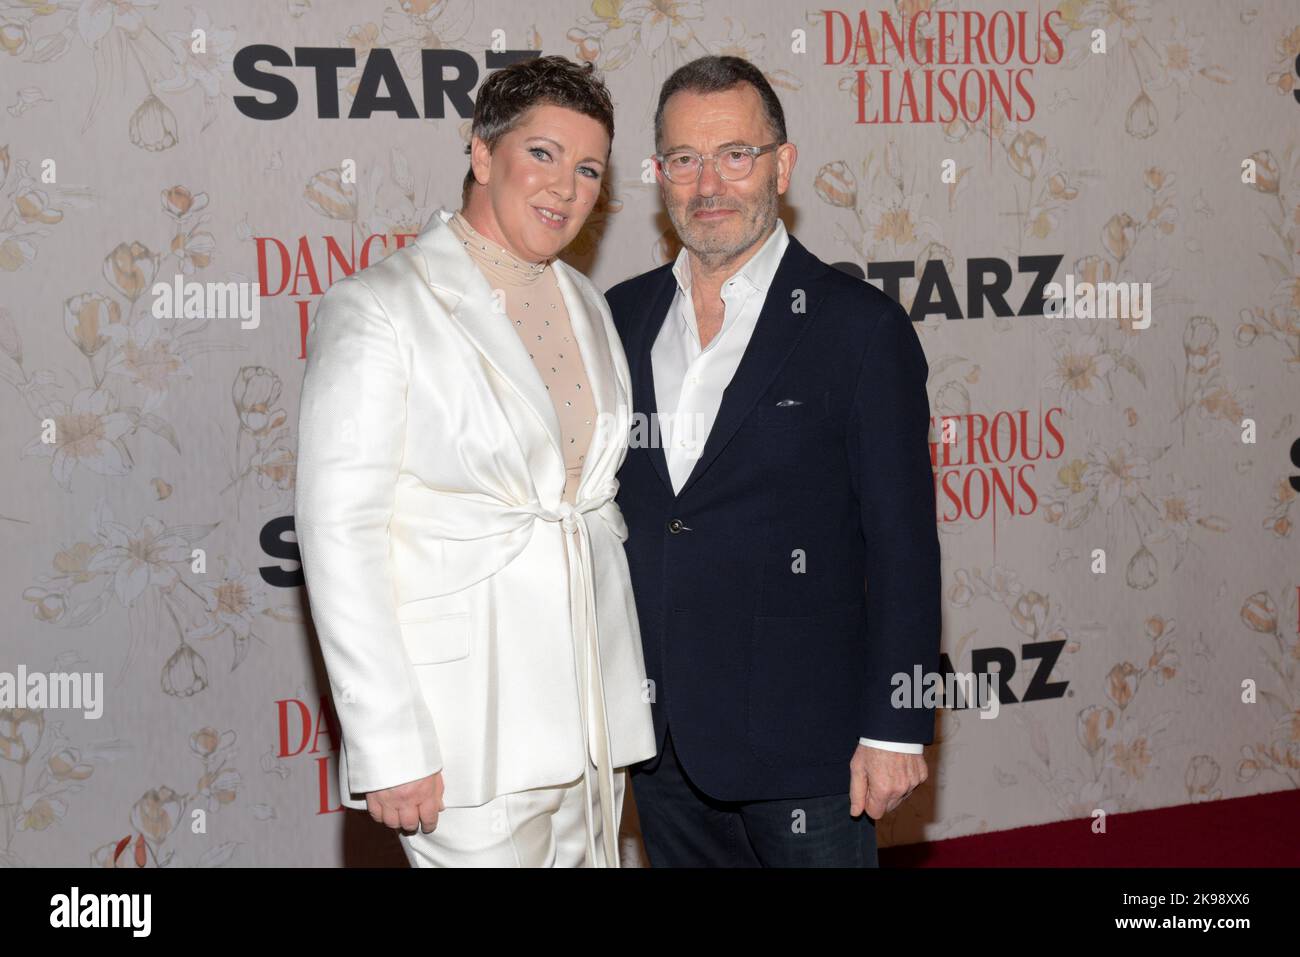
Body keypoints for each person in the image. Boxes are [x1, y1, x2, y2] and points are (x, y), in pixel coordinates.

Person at [294, 55, 655, 868]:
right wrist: (388, 739)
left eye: (589, 168)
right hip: (465, 730)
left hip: (591, 721)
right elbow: (338, 534)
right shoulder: (381, 307)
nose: (566, 185)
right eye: (543, 153)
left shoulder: (588, 303)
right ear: (482, 154)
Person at [605, 55, 942, 867]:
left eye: (736, 154)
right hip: (663, 744)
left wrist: (895, 724)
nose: (708, 183)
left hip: (812, 749)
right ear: (659, 174)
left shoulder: (859, 328)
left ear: (782, 165)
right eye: (684, 159)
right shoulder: (618, 315)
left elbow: (904, 546)